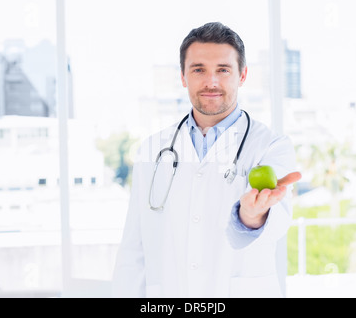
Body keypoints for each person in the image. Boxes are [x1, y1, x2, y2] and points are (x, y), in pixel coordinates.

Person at [112, 22, 301, 298]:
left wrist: (251, 216)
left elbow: (277, 224)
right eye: (199, 69)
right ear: (183, 76)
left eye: (223, 70)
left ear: (243, 75)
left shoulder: (271, 146)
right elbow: (134, 248)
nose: (211, 82)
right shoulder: (152, 150)